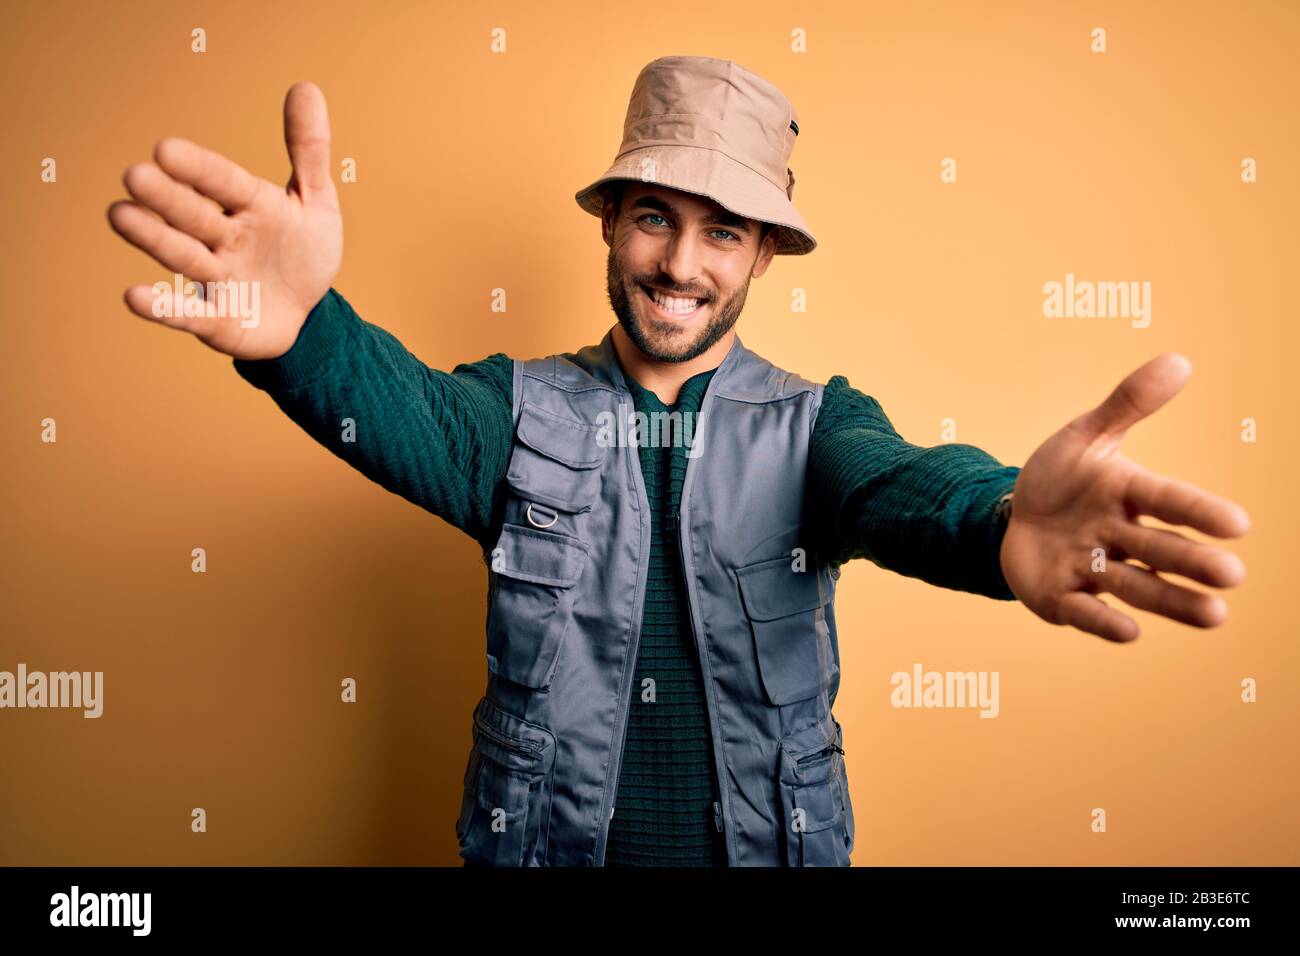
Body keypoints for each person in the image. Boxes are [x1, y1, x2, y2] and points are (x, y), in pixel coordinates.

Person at [106, 56, 1250, 867]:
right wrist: (305, 331)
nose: (680, 263)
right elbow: (392, 406)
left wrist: (999, 525)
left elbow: (904, 485)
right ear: (609, 222)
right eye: (655, 216)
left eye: (722, 232)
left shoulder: (817, 429)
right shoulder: (509, 412)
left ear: (760, 258)